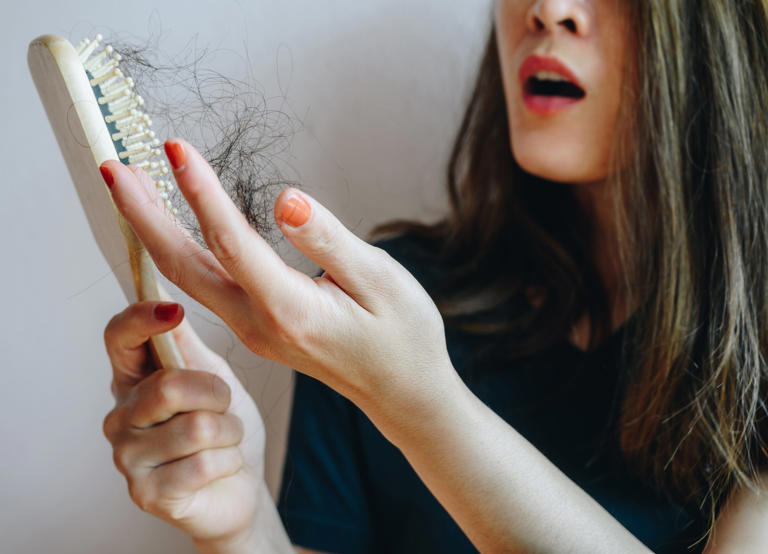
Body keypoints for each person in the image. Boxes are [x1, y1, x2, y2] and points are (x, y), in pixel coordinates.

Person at [99, 0, 768, 552]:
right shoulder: (379, 302)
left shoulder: (755, 347)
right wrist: (242, 523)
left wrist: (415, 399)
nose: (549, 12)